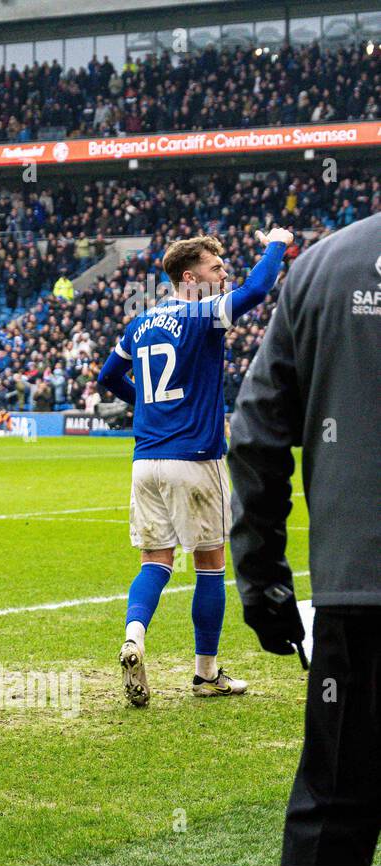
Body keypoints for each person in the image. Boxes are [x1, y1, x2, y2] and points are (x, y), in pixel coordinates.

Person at [229, 212, 381, 866]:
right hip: (354, 591)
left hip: (355, 601)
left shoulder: (322, 266)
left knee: (331, 815)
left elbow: (257, 434)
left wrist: (263, 578)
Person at [98, 228, 291, 706]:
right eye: (216, 268)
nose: (224, 274)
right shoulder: (202, 313)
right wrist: (278, 244)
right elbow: (259, 290)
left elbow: (107, 377)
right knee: (209, 565)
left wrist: (145, 406)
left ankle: (135, 635)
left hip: (146, 462)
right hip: (195, 459)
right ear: (190, 277)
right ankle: (206, 675)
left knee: (155, 561)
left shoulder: (138, 323)